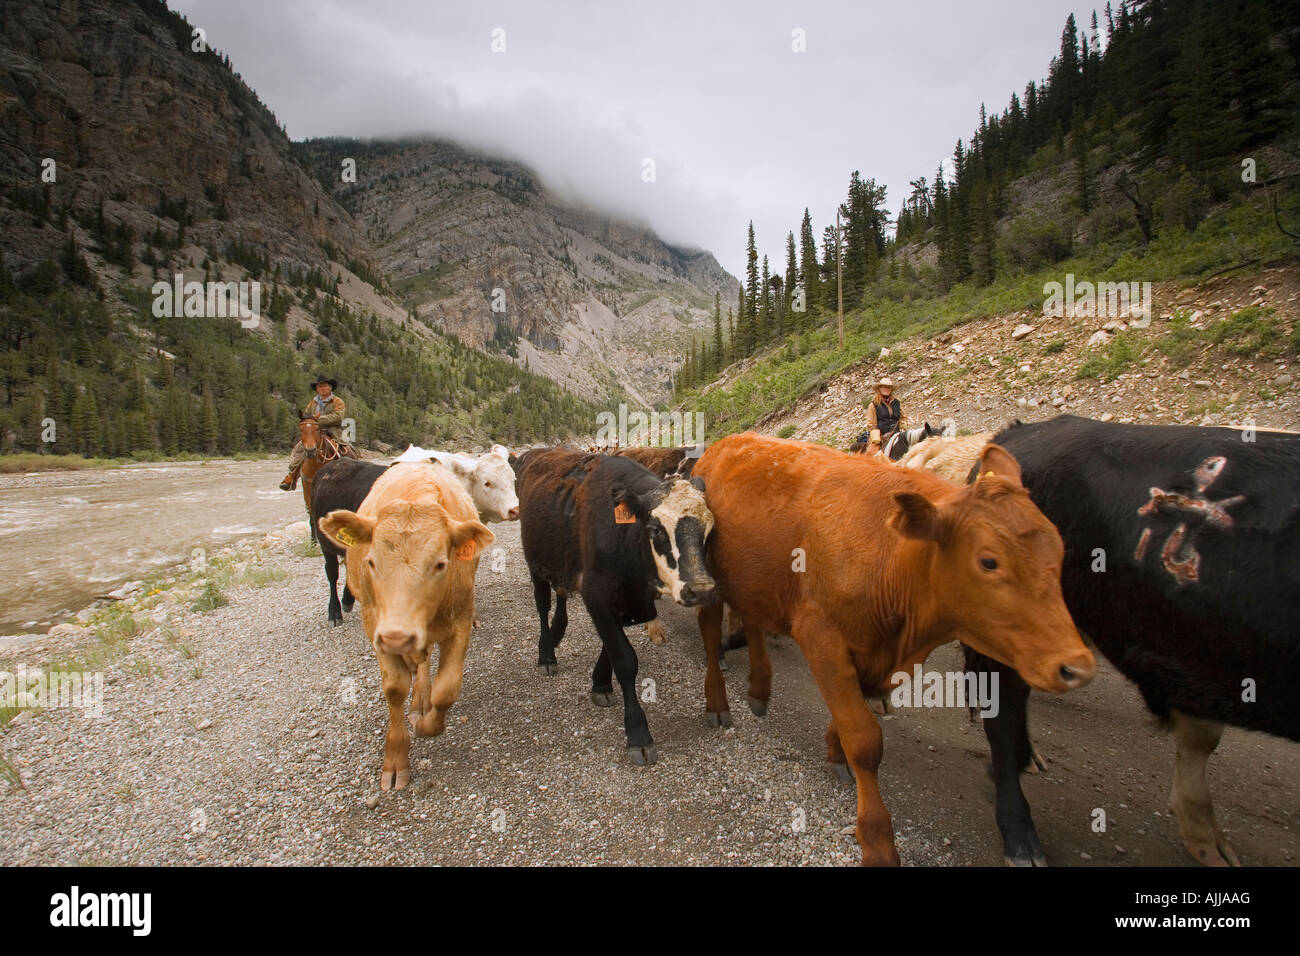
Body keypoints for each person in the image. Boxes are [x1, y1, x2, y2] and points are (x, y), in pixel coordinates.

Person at [279, 375, 350, 491]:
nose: (322, 388)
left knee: (346, 451)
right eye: (320, 386)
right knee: (299, 450)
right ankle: (291, 477)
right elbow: (306, 416)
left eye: (325, 386)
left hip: (332, 431)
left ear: (330, 387)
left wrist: (318, 420)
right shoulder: (313, 403)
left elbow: (338, 416)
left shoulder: (337, 401)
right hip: (313, 432)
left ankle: (351, 476)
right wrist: (309, 423)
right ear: (317, 389)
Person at [858, 377, 905, 456]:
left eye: (889, 387)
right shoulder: (873, 405)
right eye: (884, 387)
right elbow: (871, 424)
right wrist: (878, 437)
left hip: (897, 433)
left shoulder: (897, 403)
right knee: (873, 454)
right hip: (882, 435)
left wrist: (904, 425)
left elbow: (903, 417)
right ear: (879, 388)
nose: (887, 389)